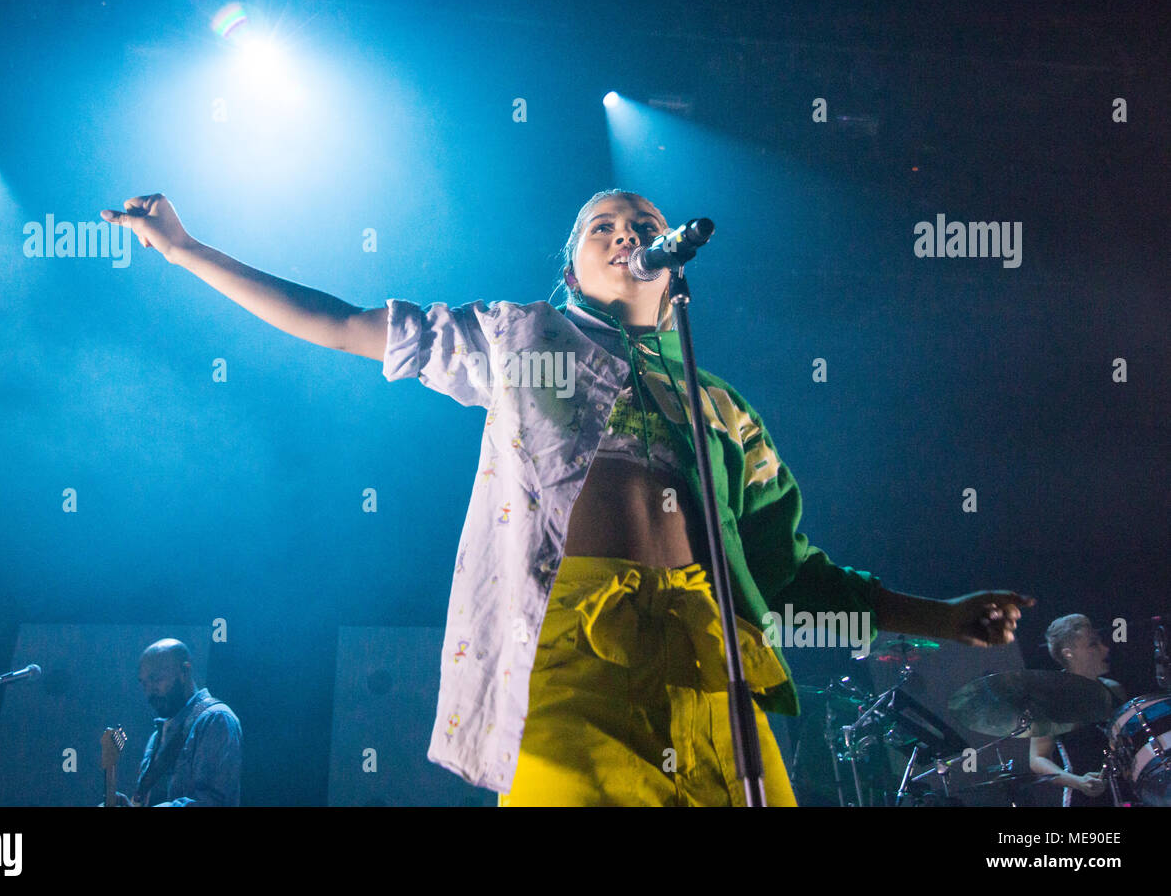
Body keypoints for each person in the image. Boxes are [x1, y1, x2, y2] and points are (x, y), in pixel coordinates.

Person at [101, 189, 1033, 806]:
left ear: (674, 265)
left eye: (641, 221)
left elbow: (791, 574)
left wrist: (942, 619)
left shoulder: (723, 407)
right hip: (566, 652)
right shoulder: (519, 339)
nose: (627, 231)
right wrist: (186, 251)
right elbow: (341, 323)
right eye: (603, 226)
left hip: (709, 662)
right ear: (574, 267)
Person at [116, 638, 242, 807]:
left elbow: (213, 802)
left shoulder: (216, 719)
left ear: (184, 671)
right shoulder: (157, 736)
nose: (149, 692)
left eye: (156, 679)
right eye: (144, 683)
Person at [1028, 614, 1126, 806]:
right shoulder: (1050, 700)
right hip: (1086, 799)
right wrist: (1078, 782)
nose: (1105, 649)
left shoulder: (1114, 689)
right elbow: (1037, 759)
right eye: (1093, 644)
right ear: (1068, 653)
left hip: (1127, 792)